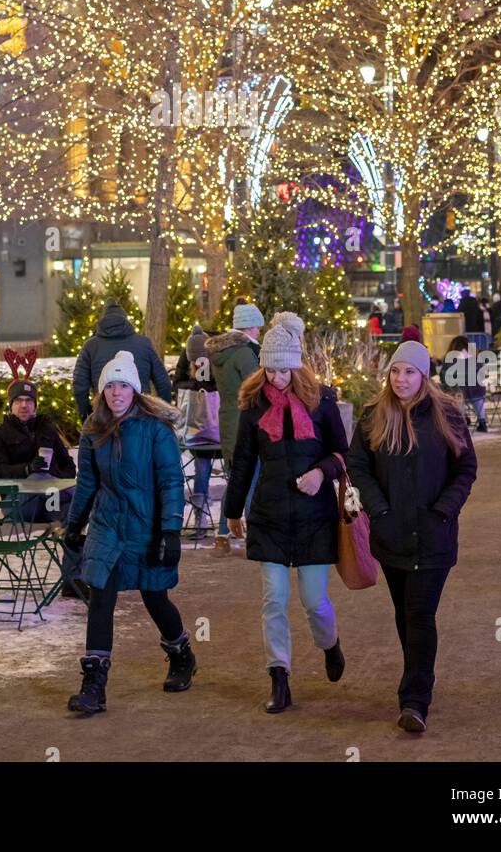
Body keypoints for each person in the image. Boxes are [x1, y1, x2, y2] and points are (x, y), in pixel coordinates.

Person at [346, 340, 477, 735]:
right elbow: (358, 466)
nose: (401, 379)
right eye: (395, 371)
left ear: (424, 376)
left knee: (420, 614)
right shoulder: (373, 416)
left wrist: (444, 510)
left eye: (409, 372)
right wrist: (379, 510)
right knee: (405, 615)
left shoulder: (447, 416)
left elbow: (465, 468)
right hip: (392, 536)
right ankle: (417, 674)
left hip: (435, 536)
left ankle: (415, 699)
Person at [225, 312, 349, 714]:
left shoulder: (322, 401)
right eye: (271, 368)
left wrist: (320, 473)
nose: (277, 376)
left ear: (297, 365)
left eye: (284, 368)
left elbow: (344, 455)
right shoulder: (253, 404)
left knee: (315, 602)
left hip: (315, 517)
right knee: (274, 600)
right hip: (270, 516)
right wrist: (232, 511)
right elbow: (242, 461)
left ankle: (329, 645)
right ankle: (279, 677)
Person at [64, 351, 194, 716]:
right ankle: (93, 686)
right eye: (110, 386)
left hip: (147, 526)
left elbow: (171, 481)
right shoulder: (93, 429)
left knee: (155, 598)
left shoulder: (155, 429)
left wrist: (170, 531)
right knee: (100, 599)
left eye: (123, 385)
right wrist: (75, 524)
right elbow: (87, 482)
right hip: (107, 527)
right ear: (102, 391)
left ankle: (182, 654)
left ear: (135, 390)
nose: (116, 393)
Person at [0, 369, 86, 599]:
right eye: (19, 400)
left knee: (77, 513)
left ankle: (73, 580)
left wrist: (51, 474)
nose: (24, 405)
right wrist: (29, 469)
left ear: (35, 405)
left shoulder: (47, 429)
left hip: (49, 502)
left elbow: (69, 466)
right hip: (19, 505)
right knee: (41, 480)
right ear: (11, 405)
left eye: (29, 401)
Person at [205, 301, 264, 556]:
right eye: (258, 327)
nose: (260, 332)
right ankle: (256, 538)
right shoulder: (243, 353)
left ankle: (221, 536)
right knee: (251, 477)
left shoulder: (223, 353)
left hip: (227, 418)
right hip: (246, 420)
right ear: (249, 327)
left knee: (236, 477)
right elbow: (257, 386)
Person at [72, 300, 172, 423]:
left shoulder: (90, 346)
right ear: (126, 320)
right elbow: (163, 383)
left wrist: (87, 416)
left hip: (105, 415)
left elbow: (79, 386)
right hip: (141, 414)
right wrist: (164, 415)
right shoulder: (143, 343)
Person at [172, 323, 220, 531]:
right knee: (201, 460)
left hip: (218, 424)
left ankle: (226, 521)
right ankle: (200, 511)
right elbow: (177, 384)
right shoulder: (189, 352)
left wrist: (208, 387)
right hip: (197, 427)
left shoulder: (218, 355)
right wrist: (194, 386)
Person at [441, 335, 488, 433]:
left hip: (458, 393)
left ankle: (461, 420)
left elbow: (444, 376)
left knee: (456, 393)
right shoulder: (474, 358)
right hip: (477, 393)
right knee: (477, 397)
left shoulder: (450, 358)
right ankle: (482, 421)